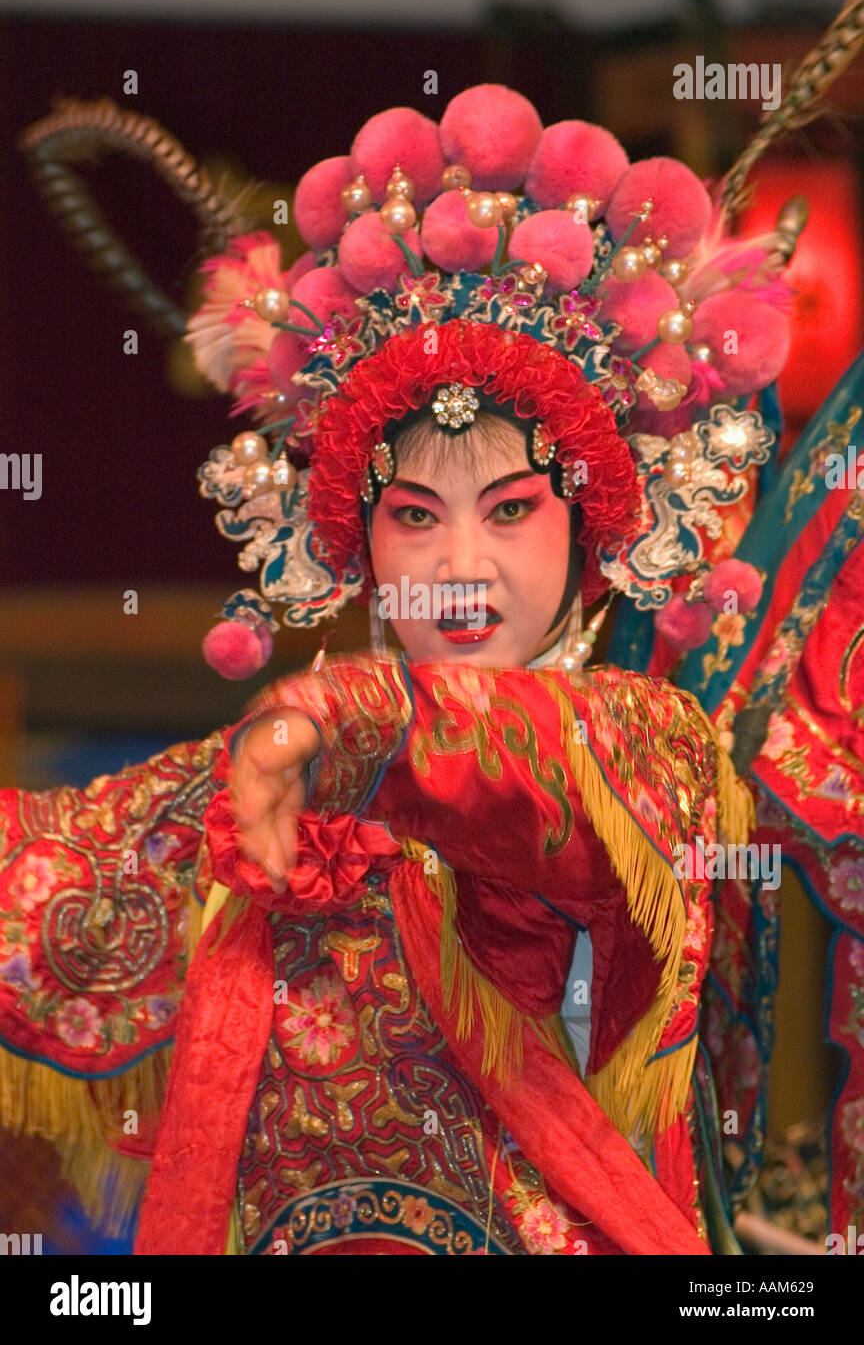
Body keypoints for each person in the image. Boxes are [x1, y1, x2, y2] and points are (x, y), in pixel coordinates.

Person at [2, 65, 863, 1255]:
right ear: (359, 540)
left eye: (510, 512)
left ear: (592, 536)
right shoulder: (260, 793)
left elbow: (515, 775)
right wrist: (308, 744)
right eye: (416, 515)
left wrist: (344, 719)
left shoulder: (647, 758)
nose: (460, 562)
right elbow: (37, 893)